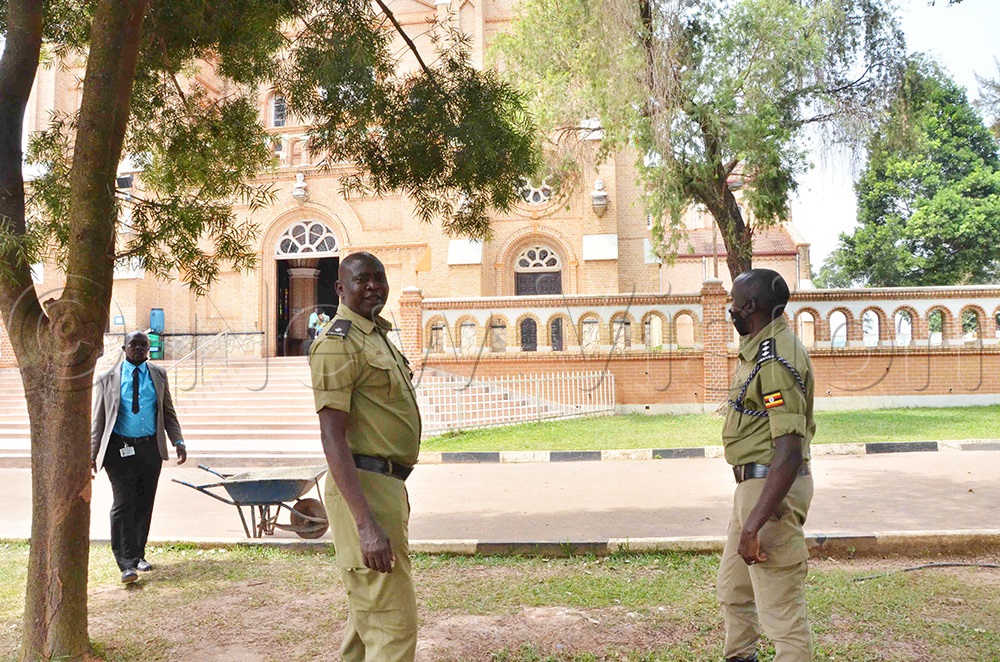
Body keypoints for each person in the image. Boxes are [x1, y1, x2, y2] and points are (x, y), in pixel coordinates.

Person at [309, 252, 421, 661]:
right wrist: (365, 524)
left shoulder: (374, 336)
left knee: (369, 621)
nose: (373, 286)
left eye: (379, 278)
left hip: (385, 487)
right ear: (340, 288)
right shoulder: (337, 344)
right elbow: (332, 437)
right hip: (364, 491)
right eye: (362, 280)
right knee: (393, 628)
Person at [717, 269, 816, 662]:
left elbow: (789, 449)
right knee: (734, 591)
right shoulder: (760, 349)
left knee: (782, 616)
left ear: (751, 306)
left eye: (734, 302)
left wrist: (754, 525)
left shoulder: (775, 359)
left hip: (769, 493)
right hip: (753, 491)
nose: (731, 309)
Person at [91, 330, 188, 584]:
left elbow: (168, 411)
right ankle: (125, 563)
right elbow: (98, 419)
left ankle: (138, 555)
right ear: (124, 348)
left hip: (149, 449)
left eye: (143, 346)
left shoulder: (158, 375)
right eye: (133, 344)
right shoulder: (107, 378)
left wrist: (177, 440)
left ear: (149, 350)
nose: (139, 349)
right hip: (118, 449)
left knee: (144, 502)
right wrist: (92, 453)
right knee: (123, 503)